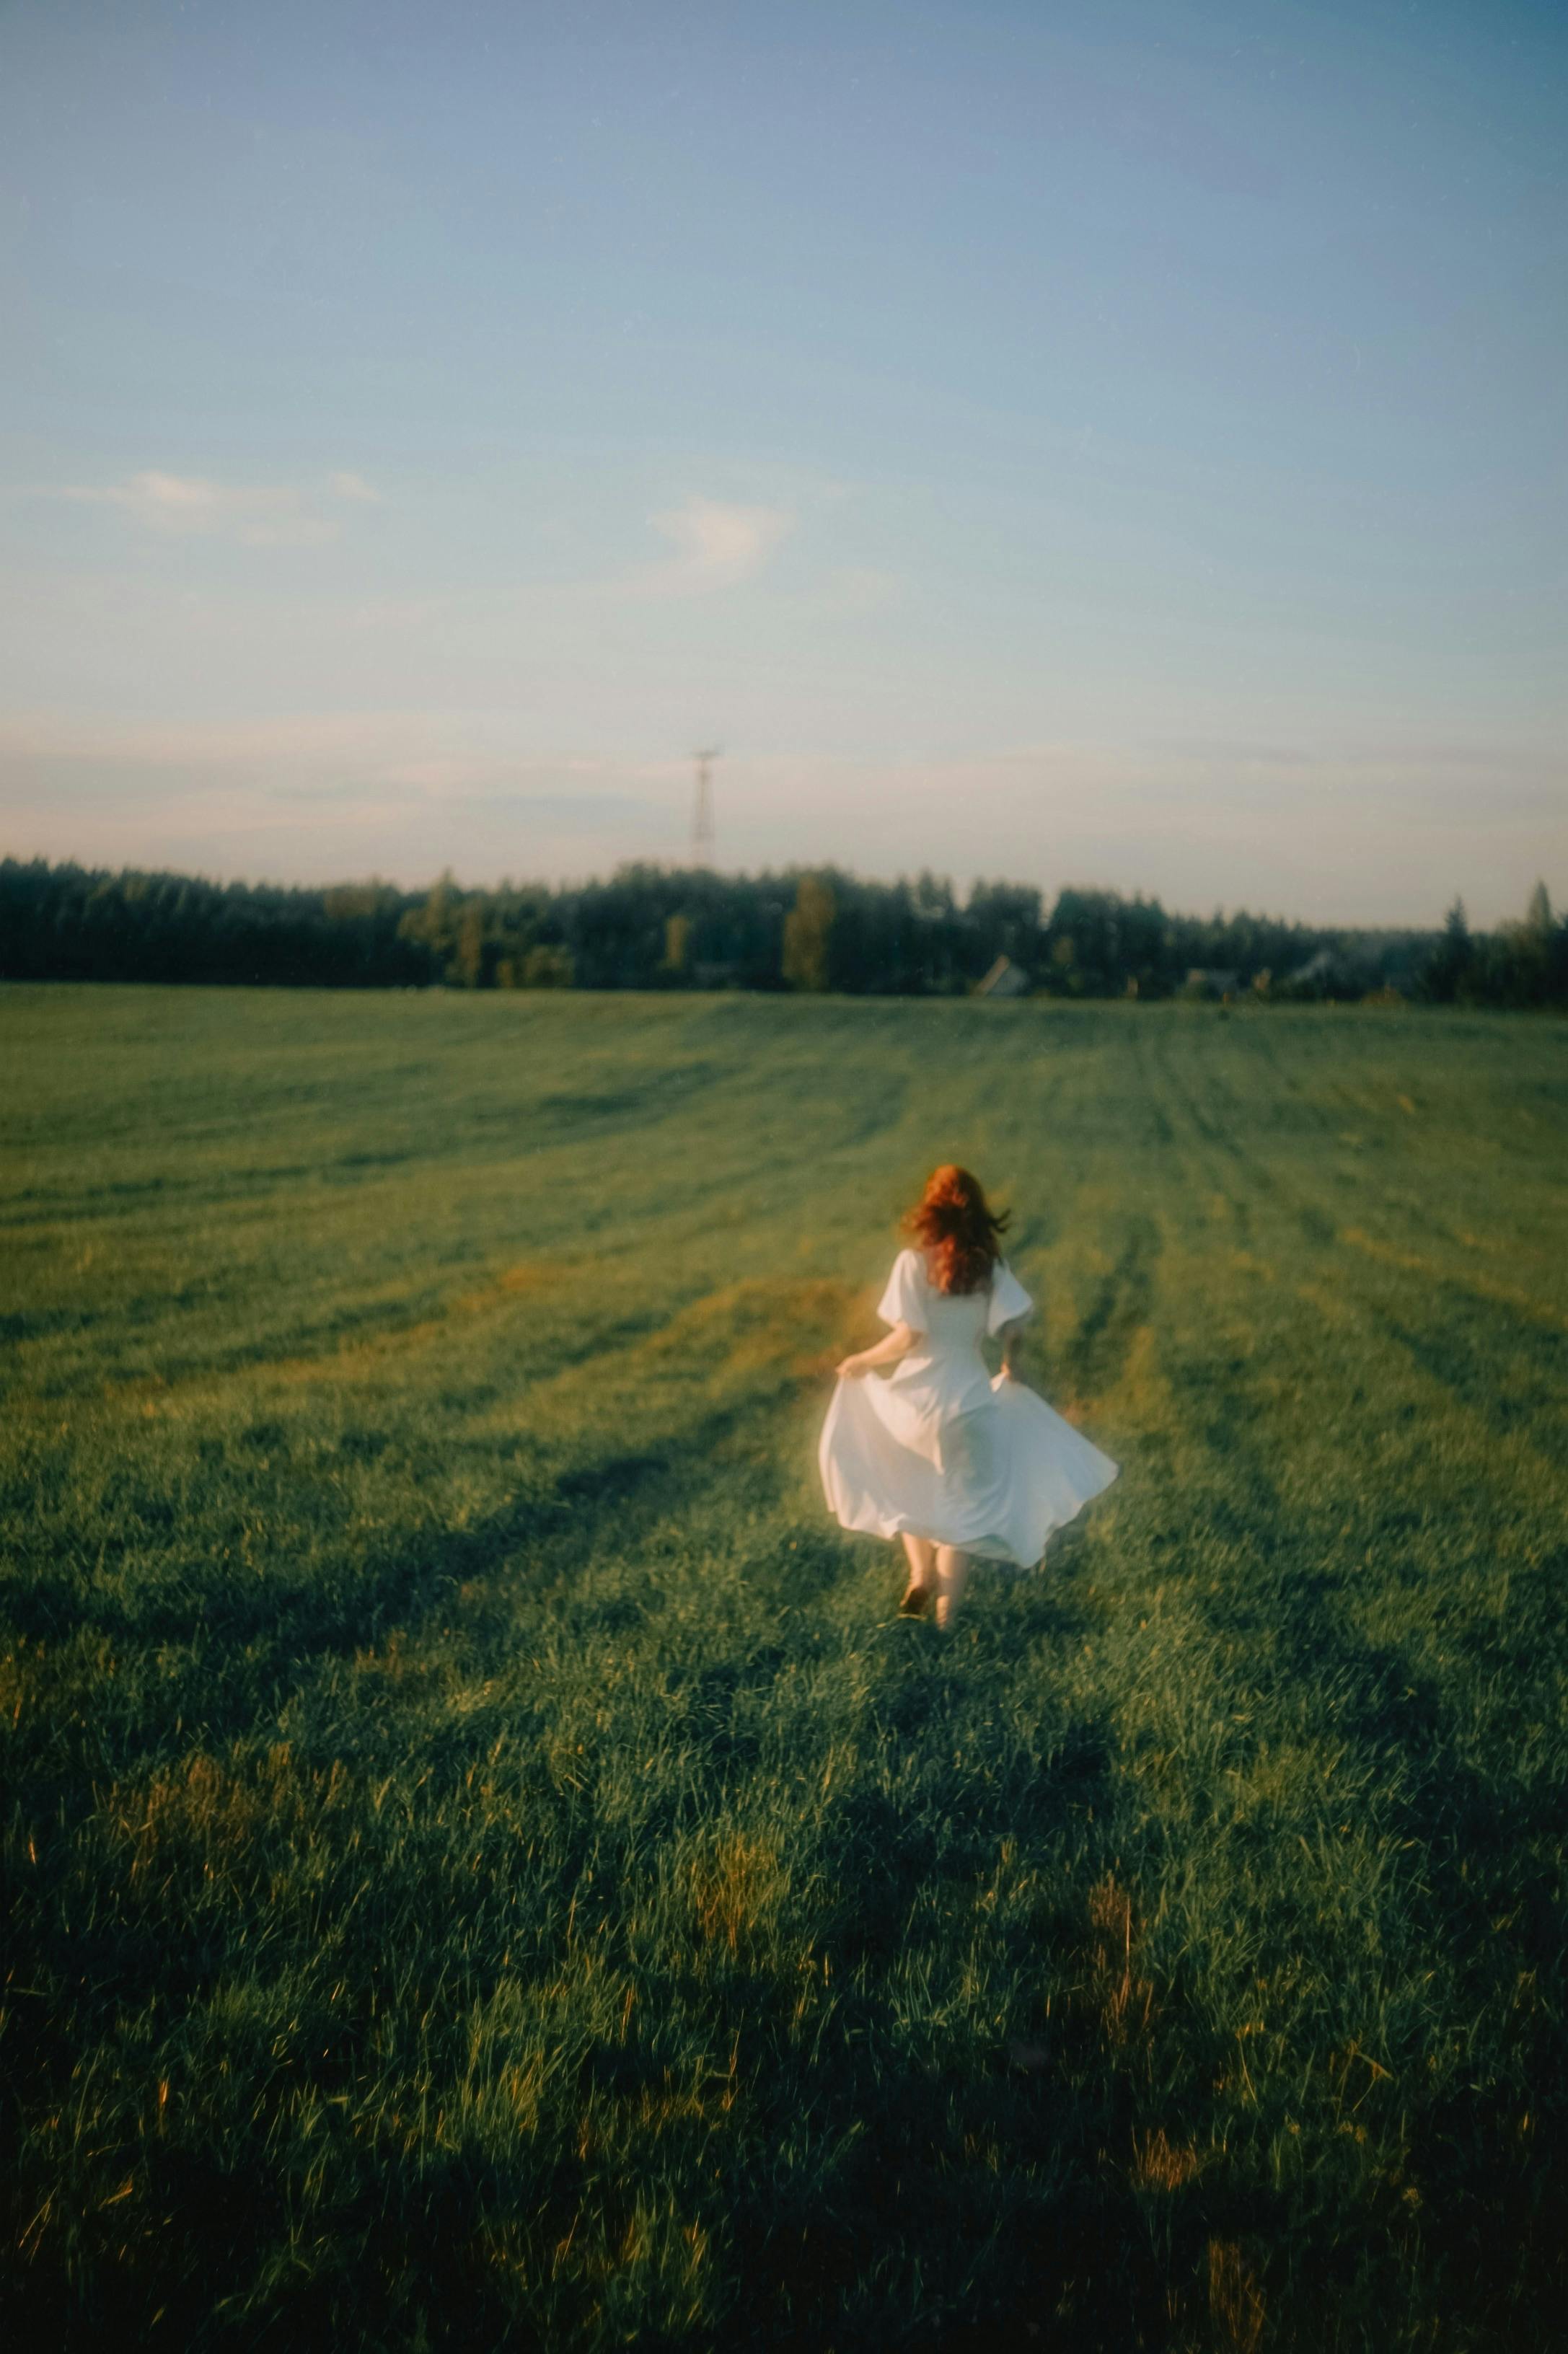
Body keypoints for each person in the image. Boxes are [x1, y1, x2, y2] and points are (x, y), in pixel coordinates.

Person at [818, 1165, 1119, 1629]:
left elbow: (907, 1337)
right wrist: (1010, 1366)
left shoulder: (914, 1262)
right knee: (960, 1513)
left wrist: (862, 1360)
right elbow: (1014, 1327)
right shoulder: (988, 1267)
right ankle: (945, 1624)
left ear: (931, 1208)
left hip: (914, 1401)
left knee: (906, 1485)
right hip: (968, 1403)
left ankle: (920, 1574)